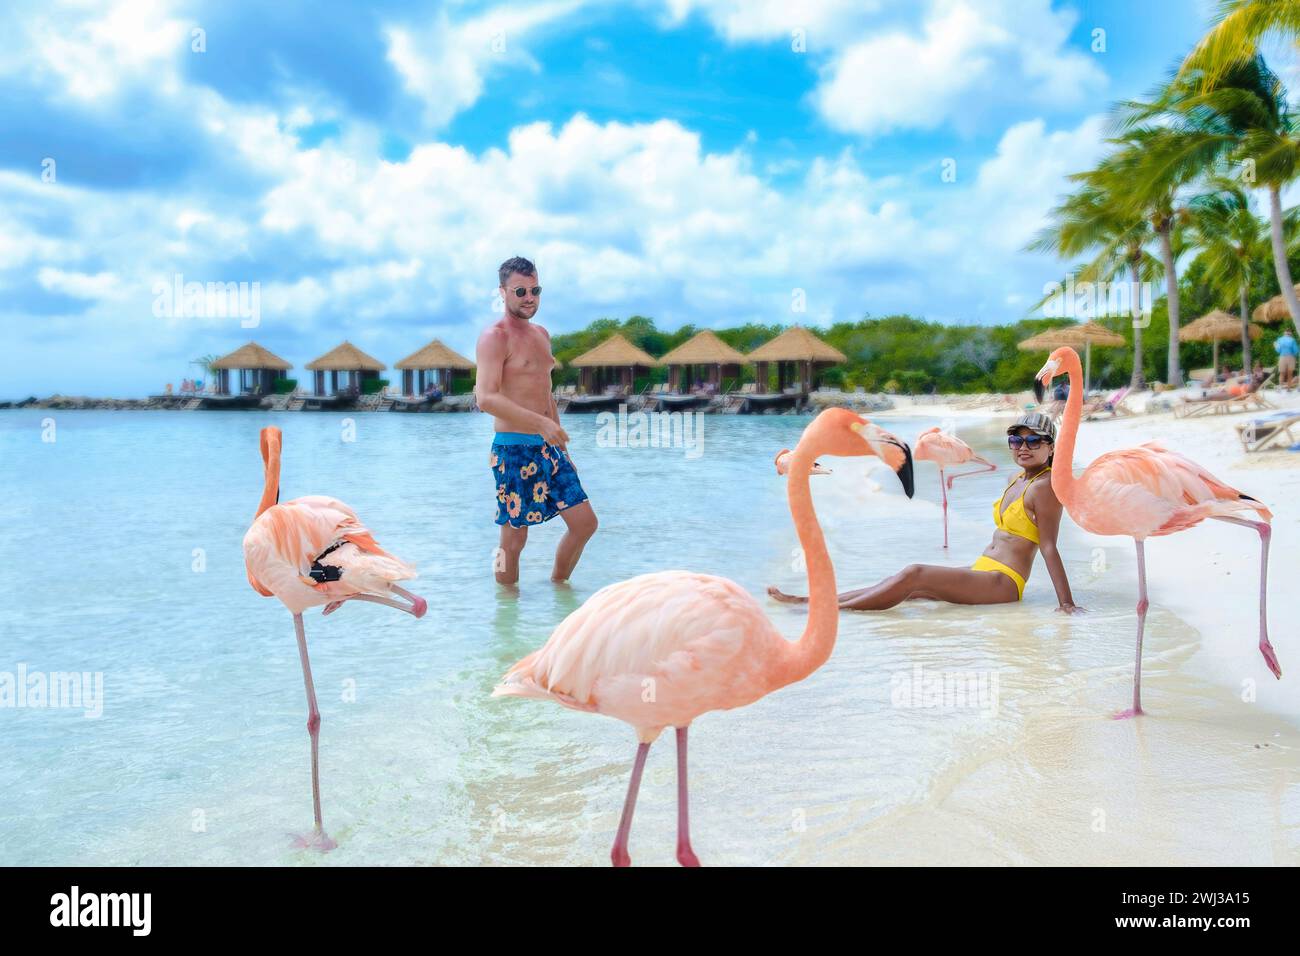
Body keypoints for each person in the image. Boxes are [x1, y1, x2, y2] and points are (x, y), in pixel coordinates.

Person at [769, 412, 1080, 612]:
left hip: (1004, 582)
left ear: (1051, 447)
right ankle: (818, 602)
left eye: (1033, 441)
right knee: (908, 587)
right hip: (983, 568)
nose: (1022, 447)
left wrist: (1066, 604)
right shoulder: (1017, 479)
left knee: (913, 573)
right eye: (1015, 439)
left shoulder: (1045, 488)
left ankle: (823, 611)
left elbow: (1049, 546)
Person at [475, 256, 598, 586]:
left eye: (535, 290)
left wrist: (559, 440)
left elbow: (546, 393)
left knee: (585, 523)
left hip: (550, 449)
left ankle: (560, 592)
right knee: (513, 543)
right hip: (514, 450)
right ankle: (506, 613)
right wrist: (539, 424)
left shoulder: (542, 334)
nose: (529, 297)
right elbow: (485, 397)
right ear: (503, 292)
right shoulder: (494, 337)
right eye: (520, 291)